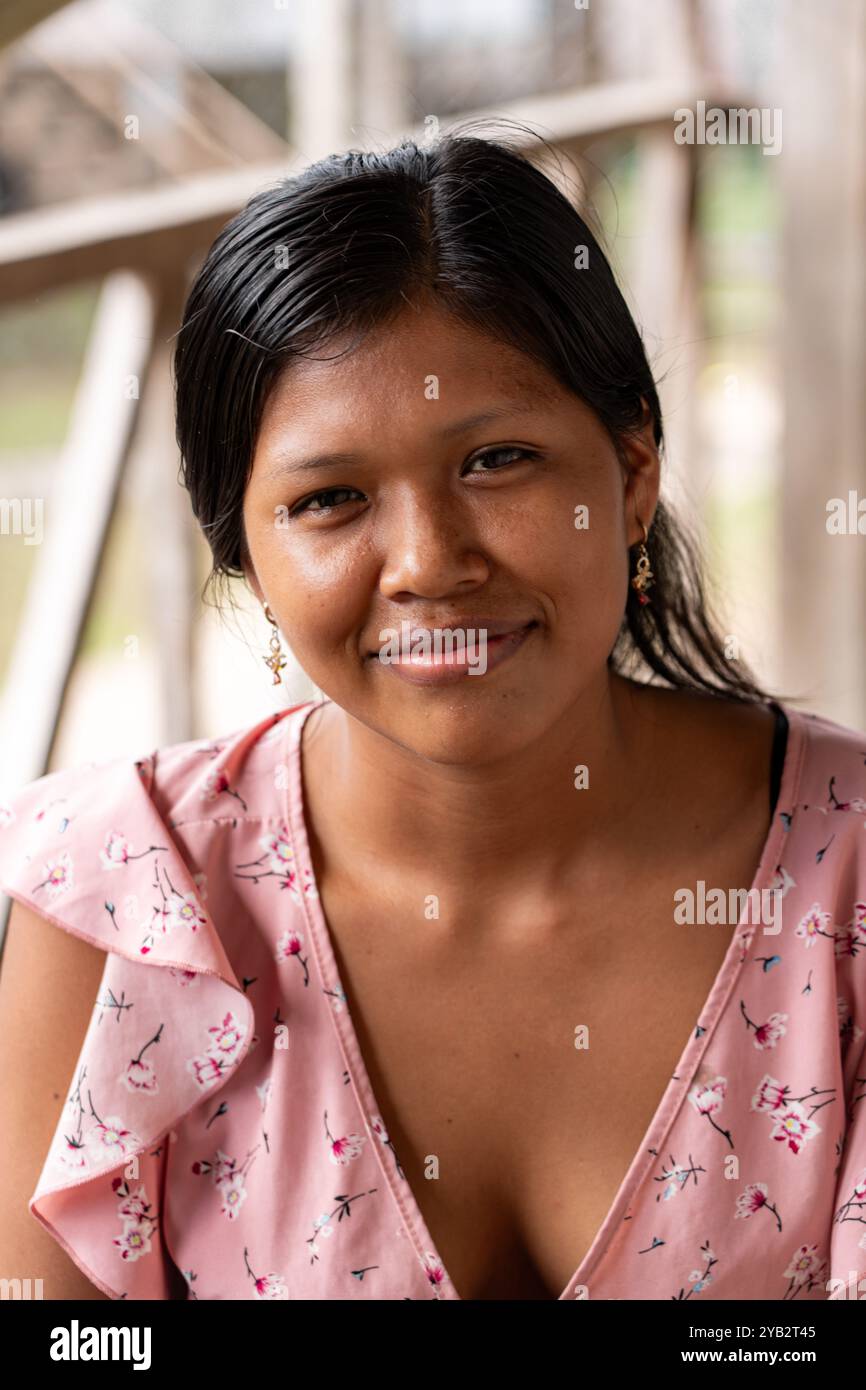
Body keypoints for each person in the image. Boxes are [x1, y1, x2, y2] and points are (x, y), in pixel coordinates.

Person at [1, 125, 864, 1302]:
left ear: (631, 473)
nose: (425, 561)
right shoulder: (120, 905)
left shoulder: (843, 880)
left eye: (497, 459)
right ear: (248, 556)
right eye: (330, 498)